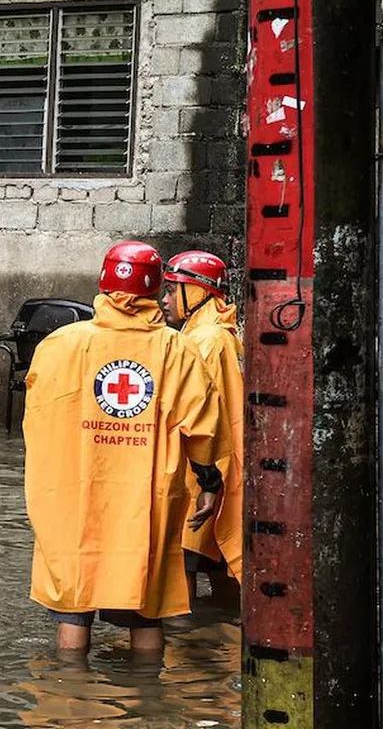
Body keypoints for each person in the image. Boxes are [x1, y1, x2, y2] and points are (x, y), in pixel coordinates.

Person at [22, 240, 229, 656]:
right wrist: (209, 482)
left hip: (73, 501)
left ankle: (70, 701)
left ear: (103, 281)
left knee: (74, 608)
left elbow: (36, 419)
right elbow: (203, 430)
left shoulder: (59, 345)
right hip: (142, 504)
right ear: (155, 291)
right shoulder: (177, 350)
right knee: (145, 609)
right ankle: (148, 705)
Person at [163, 250, 244, 607]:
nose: (164, 300)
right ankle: (218, 642)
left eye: (172, 290)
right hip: (215, 465)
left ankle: (183, 655)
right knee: (217, 564)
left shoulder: (205, 340)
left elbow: (194, 414)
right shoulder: (215, 333)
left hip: (201, 471)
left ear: (197, 292)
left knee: (183, 577)